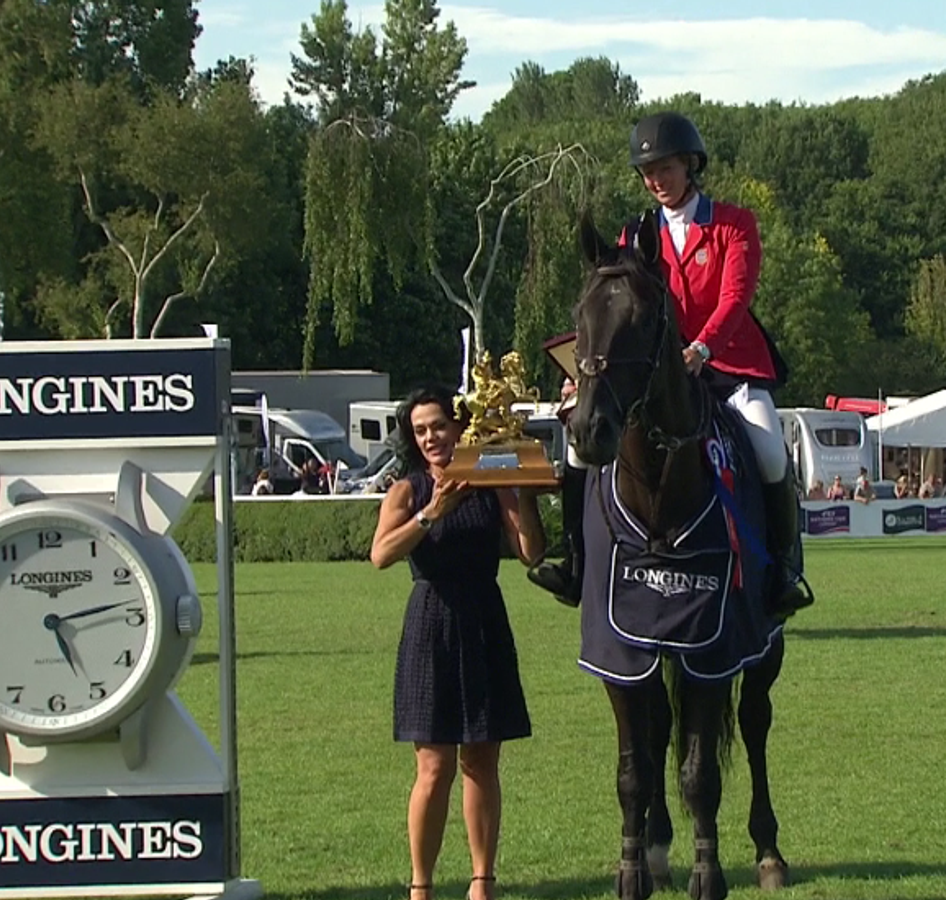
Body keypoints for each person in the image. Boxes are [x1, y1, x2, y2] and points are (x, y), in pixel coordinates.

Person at [528, 110, 812, 620]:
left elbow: (735, 299)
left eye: (665, 168)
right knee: (579, 443)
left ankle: (783, 570)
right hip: (654, 375)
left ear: (689, 165)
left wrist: (700, 349)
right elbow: (616, 306)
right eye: (647, 173)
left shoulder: (733, 224)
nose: (656, 180)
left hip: (725, 366)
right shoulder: (634, 234)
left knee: (769, 446)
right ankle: (573, 559)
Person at [369, 384, 547, 900]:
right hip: (431, 624)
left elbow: (531, 553)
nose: (430, 437)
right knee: (433, 765)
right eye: (420, 430)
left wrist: (526, 492)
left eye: (438, 426)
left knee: (481, 760)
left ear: (459, 426)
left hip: (484, 619)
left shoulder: (490, 480)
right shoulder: (409, 489)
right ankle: (421, 886)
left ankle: (481, 881)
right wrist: (432, 513)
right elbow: (380, 554)